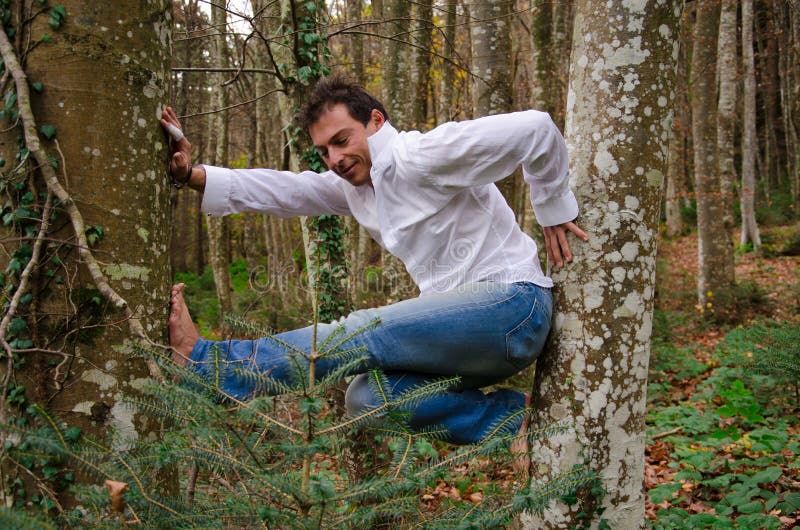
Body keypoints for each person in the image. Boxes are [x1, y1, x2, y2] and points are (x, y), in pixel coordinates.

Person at [161, 75, 587, 447]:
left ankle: (209, 366)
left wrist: (552, 206)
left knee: (365, 333)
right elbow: (285, 190)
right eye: (324, 151)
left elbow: (536, 129)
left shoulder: (420, 155)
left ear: (376, 122)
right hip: (472, 341)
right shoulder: (354, 186)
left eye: (342, 140)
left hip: (511, 306)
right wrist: (192, 175)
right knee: (367, 398)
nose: (335, 159)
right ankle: (516, 424)